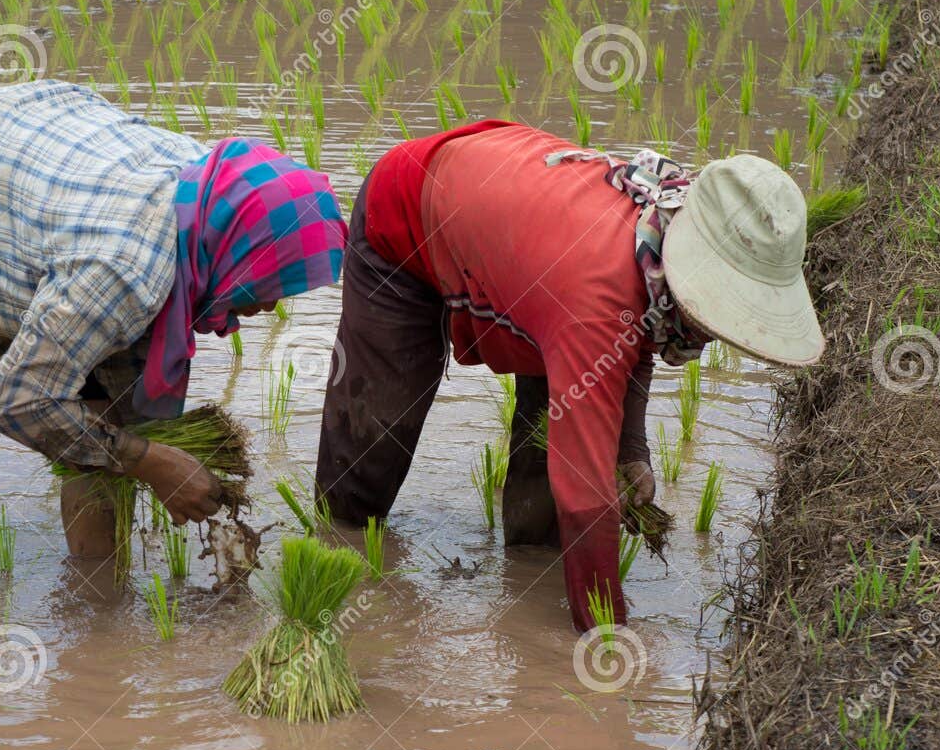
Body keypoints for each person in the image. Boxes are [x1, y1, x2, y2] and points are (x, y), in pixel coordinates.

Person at [314, 120, 825, 631]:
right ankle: (334, 572)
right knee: (367, 458)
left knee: (551, 487)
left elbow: (634, 338)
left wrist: (630, 451)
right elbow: (585, 498)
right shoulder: (596, 303)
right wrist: (607, 638)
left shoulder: (653, 237)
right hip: (407, 209)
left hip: (533, 249)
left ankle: (527, 579)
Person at [0, 80, 347, 555]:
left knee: (98, 422)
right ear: (237, 253)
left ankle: (97, 602)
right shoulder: (122, 271)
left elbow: (85, 426)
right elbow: (15, 403)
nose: (268, 306)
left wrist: (129, 452)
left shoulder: (213, 202)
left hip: (38, 179)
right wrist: (153, 462)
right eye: (267, 285)